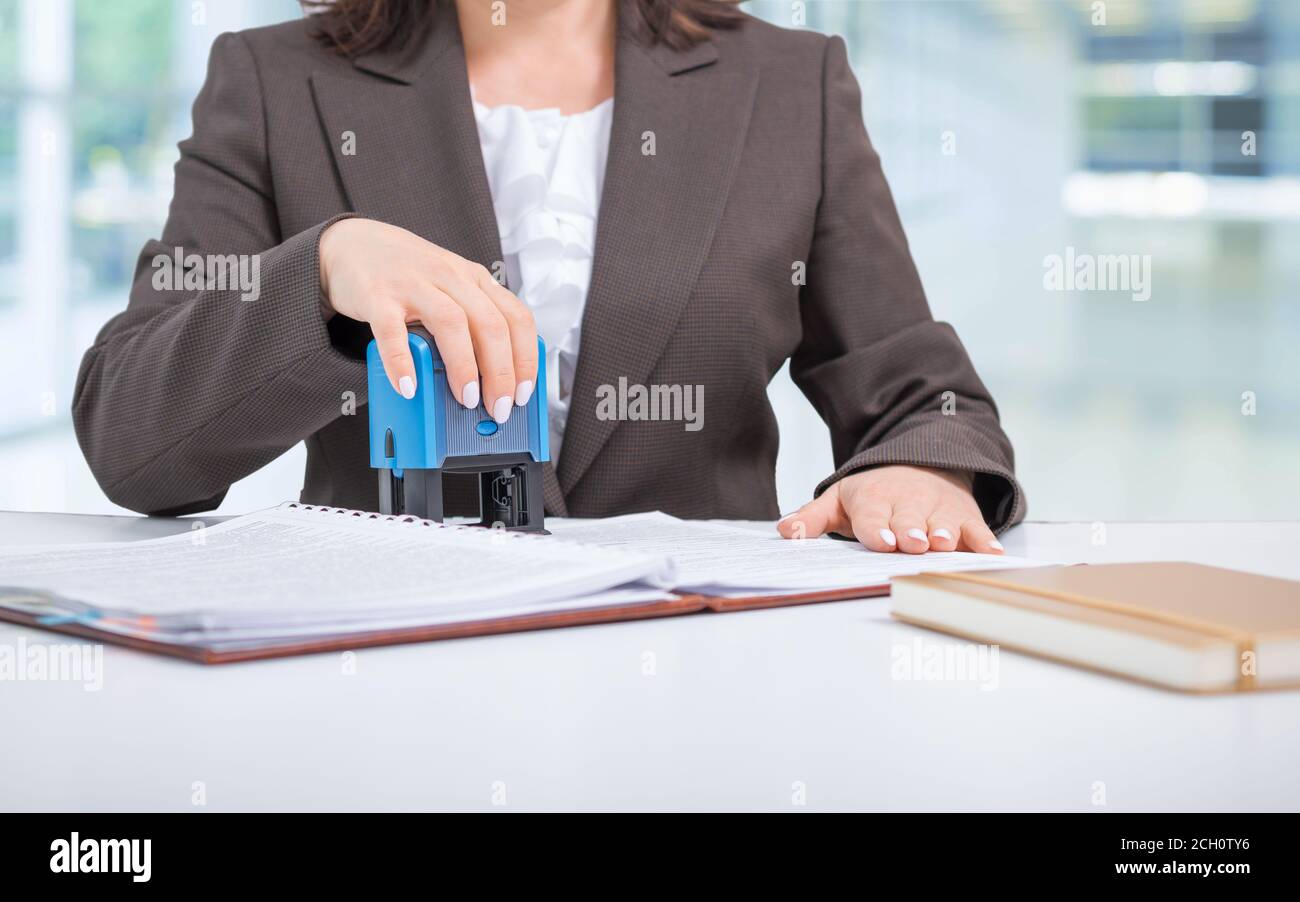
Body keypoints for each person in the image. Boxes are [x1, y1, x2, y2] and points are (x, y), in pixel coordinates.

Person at [72, 0, 1025, 554]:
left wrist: (914, 471)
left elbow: (925, 401)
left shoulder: (789, 84)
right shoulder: (275, 79)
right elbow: (133, 440)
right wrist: (317, 272)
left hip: (705, 694)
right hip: (383, 696)